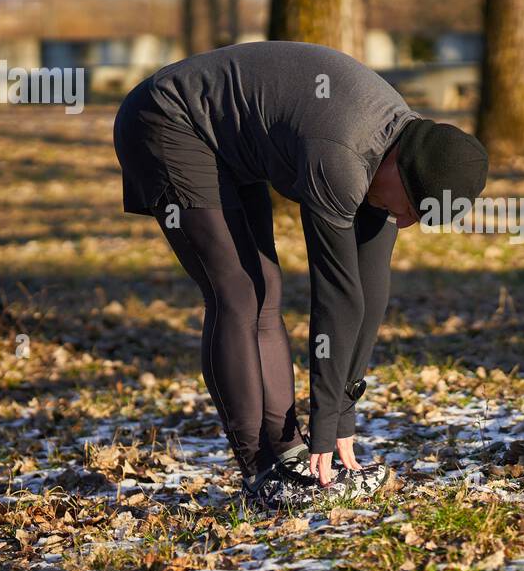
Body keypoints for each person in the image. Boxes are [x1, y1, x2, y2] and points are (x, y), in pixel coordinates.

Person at [113, 41, 489, 510]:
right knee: (240, 291)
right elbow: (334, 296)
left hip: (230, 142)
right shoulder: (343, 155)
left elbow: (368, 295)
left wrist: (343, 416)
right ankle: (261, 472)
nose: (407, 222)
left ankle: (286, 453)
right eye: (412, 210)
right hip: (169, 120)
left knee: (265, 290)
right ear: (403, 171)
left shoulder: (398, 150)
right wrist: (325, 430)